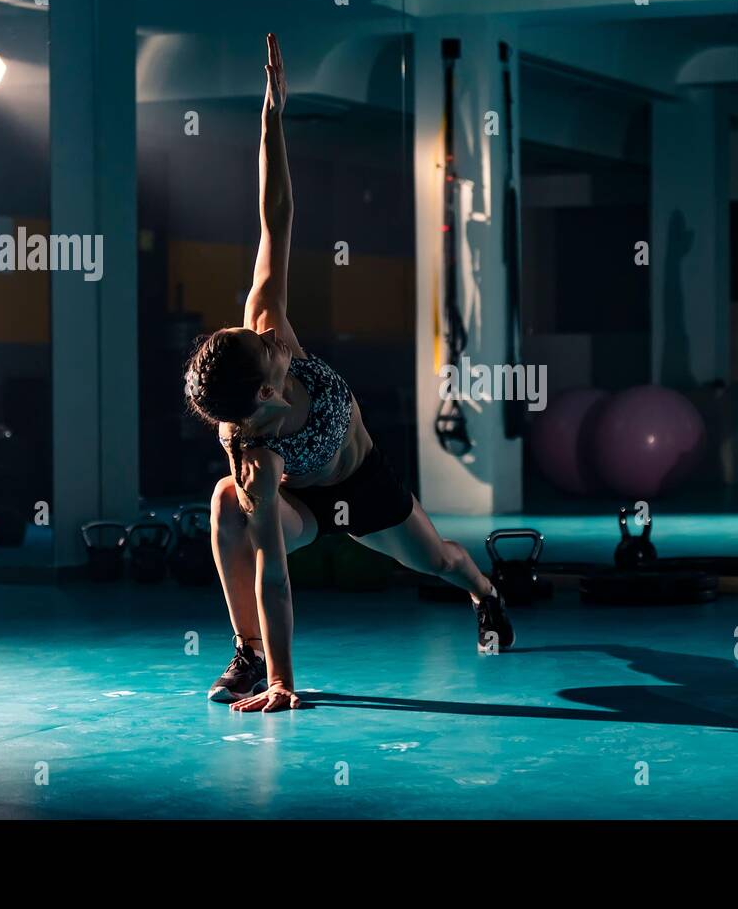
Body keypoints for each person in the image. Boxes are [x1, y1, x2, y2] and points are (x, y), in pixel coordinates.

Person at [183, 35, 513, 712]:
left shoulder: (265, 323)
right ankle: (249, 657)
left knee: (442, 562)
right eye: (268, 352)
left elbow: (276, 218)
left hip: (364, 485)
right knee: (224, 506)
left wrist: (272, 118)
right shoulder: (259, 460)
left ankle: (488, 593)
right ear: (267, 393)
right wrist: (284, 681)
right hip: (302, 505)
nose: (271, 338)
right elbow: (274, 573)